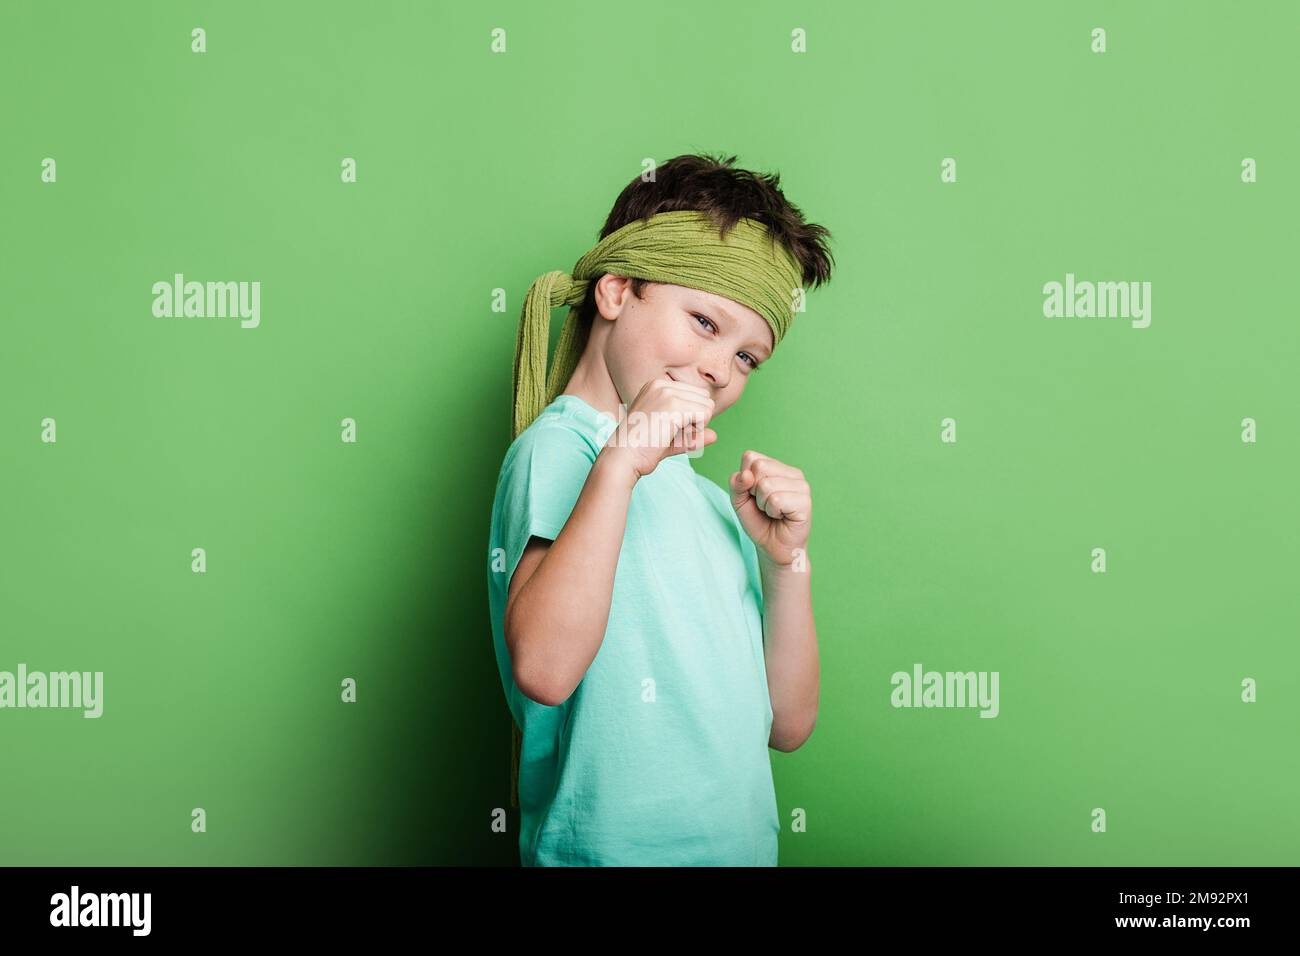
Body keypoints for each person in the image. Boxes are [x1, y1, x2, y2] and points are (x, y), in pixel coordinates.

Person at [486, 152, 834, 865]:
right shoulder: (564, 452)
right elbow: (545, 670)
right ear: (616, 291)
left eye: (747, 358)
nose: (718, 368)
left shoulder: (714, 504)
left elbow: (788, 723)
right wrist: (620, 463)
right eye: (705, 322)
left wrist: (785, 561)